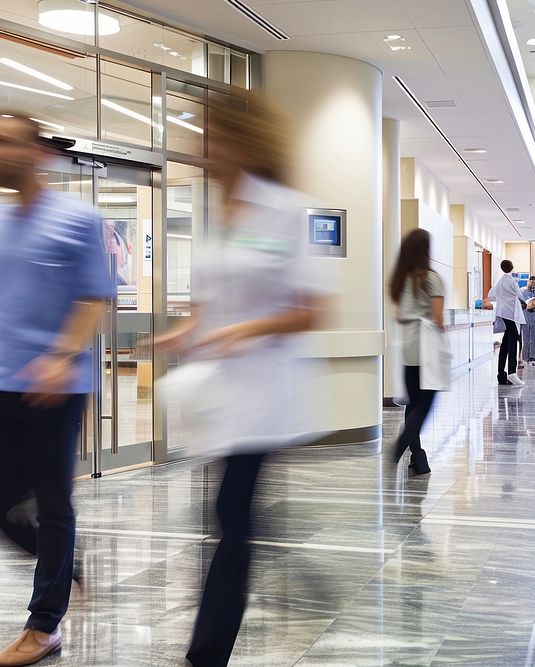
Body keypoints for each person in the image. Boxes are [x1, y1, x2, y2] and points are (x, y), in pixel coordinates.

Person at [155, 97, 324, 666]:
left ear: (247, 141)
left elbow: (312, 310)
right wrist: (185, 332)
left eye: (217, 135)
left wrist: (249, 329)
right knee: (228, 516)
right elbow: (210, 306)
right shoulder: (221, 214)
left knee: (230, 518)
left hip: (265, 398)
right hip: (219, 397)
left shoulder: (289, 210)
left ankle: (206, 654)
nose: (207, 147)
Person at [0, 113, 115, 667]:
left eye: (6, 140)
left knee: (52, 506)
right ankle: (62, 565)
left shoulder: (77, 218)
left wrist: (62, 355)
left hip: (56, 387)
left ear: (38, 153)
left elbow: (94, 299)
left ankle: (44, 625)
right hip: (1, 381)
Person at [389, 229, 445, 475]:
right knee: (426, 403)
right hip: (428, 349)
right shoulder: (431, 279)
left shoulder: (402, 280)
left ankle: (418, 459)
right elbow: (438, 318)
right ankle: (402, 444)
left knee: (413, 404)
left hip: (407, 347)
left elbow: (399, 315)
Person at [489, 260, 526, 386]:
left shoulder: (499, 282)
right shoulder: (511, 281)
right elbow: (520, 295)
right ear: (512, 267)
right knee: (513, 341)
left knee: (505, 343)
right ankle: (511, 372)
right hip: (510, 314)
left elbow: (491, 295)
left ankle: (501, 374)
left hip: (502, 313)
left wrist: (502, 299)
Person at [520, 276, 535, 367]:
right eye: (531, 282)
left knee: (534, 337)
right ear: (528, 281)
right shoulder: (522, 290)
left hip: (534, 313)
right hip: (525, 313)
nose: (532, 284)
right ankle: (525, 358)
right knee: (525, 337)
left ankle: (533, 357)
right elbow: (520, 301)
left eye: (534, 282)